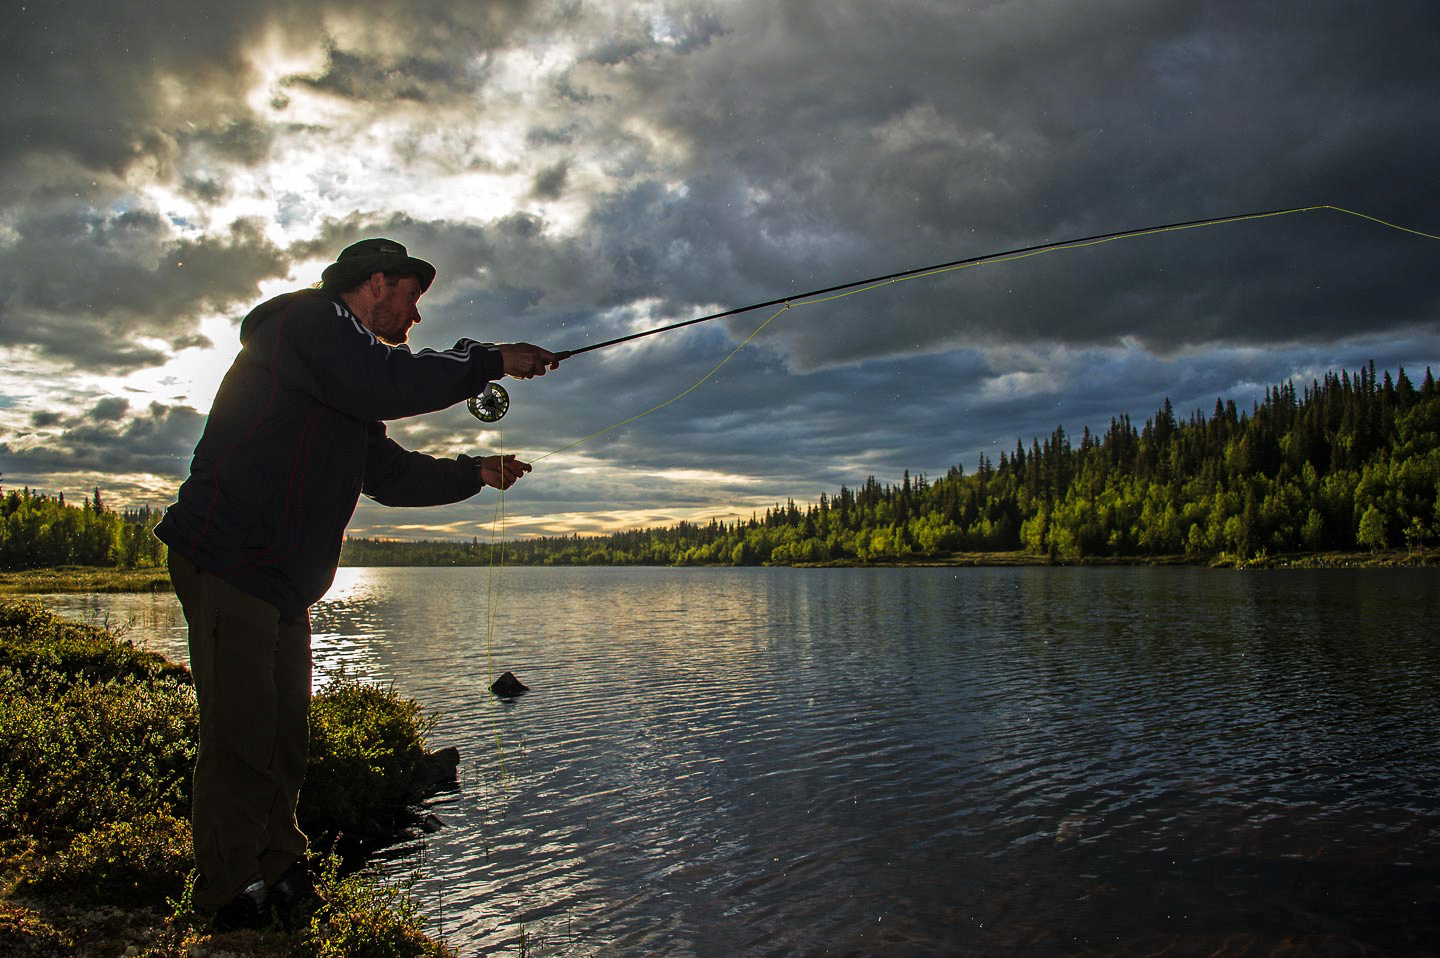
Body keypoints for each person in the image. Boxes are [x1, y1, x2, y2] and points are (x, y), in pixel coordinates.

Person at [155, 238, 559, 930]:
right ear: (377, 283)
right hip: (229, 560)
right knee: (242, 738)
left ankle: (280, 869)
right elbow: (384, 380)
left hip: (280, 580)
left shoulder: (343, 375)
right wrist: (491, 358)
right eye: (412, 298)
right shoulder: (306, 325)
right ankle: (226, 894)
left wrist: (472, 473)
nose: (416, 316)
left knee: (285, 739)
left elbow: (388, 474)